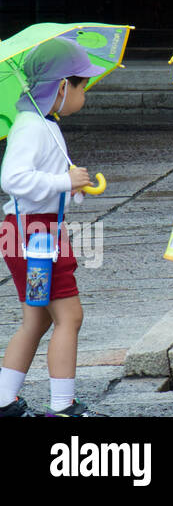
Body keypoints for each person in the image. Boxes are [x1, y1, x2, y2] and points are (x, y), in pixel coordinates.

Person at [0, 38, 102, 417]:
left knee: (38, 318)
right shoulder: (32, 127)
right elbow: (12, 179)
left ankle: (4, 399)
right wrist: (63, 181)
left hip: (31, 231)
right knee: (69, 316)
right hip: (34, 236)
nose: (84, 95)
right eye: (82, 86)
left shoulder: (43, 123)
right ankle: (62, 405)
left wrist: (69, 186)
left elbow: (43, 180)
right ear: (62, 86)